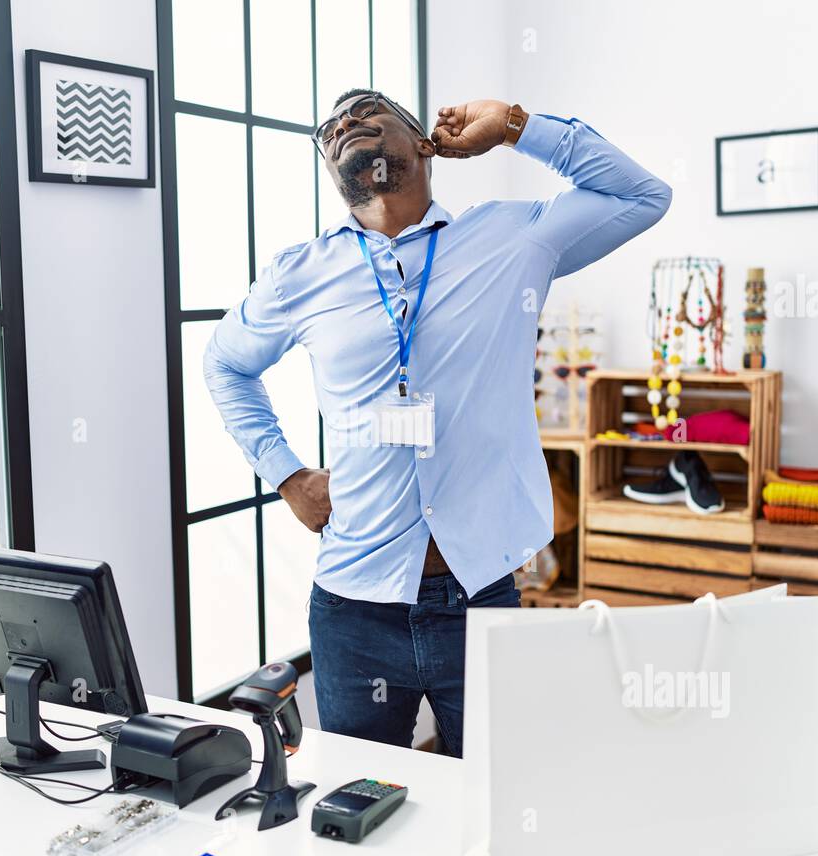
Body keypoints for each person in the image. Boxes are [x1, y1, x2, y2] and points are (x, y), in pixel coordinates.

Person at [204, 91, 671, 756]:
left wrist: (515, 127)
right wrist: (285, 475)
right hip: (351, 610)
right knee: (362, 817)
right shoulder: (297, 276)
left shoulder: (513, 239)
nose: (345, 123)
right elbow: (225, 366)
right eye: (333, 126)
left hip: (480, 600)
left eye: (367, 111)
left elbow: (642, 196)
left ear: (426, 144)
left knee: (495, 810)